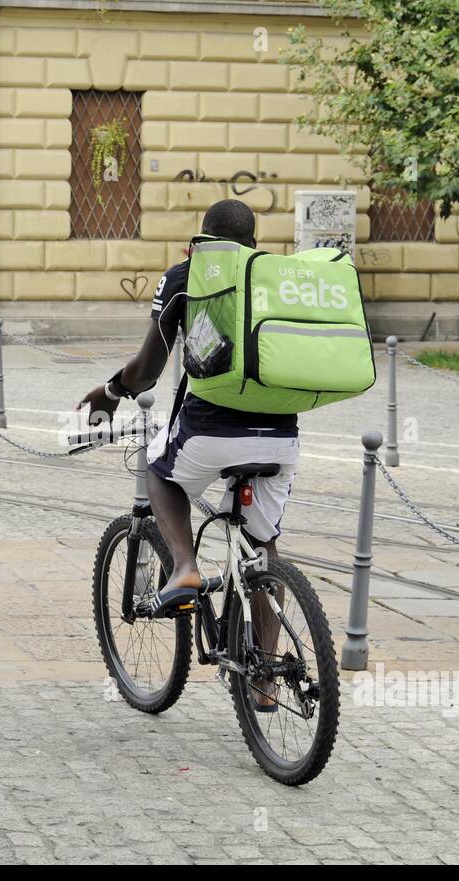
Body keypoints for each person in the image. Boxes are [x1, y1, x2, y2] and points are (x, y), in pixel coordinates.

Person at [77, 200, 297, 705]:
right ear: (253, 242)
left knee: (160, 474)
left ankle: (184, 567)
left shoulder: (186, 275)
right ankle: (264, 678)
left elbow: (148, 369)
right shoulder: (277, 278)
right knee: (263, 548)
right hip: (282, 435)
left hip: (210, 429)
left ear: (202, 239)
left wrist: (110, 393)